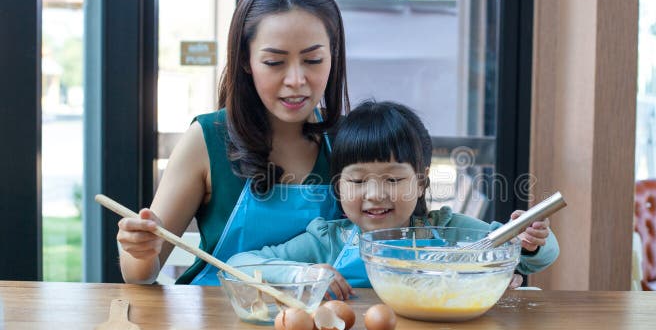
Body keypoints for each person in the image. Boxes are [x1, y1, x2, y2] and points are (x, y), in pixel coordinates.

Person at [116, 0, 350, 285]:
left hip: (322, 324)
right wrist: (141, 252)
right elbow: (141, 275)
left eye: (313, 59)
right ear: (245, 60)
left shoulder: (347, 141)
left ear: (333, 56)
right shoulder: (206, 139)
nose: (296, 79)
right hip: (216, 324)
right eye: (274, 62)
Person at [228, 100, 559, 298]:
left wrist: (531, 241)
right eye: (358, 180)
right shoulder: (329, 240)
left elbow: (532, 259)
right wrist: (302, 275)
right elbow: (239, 265)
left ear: (420, 182)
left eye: (393, 179)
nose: (375, 194)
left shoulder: (446, 230)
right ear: (338, 186)